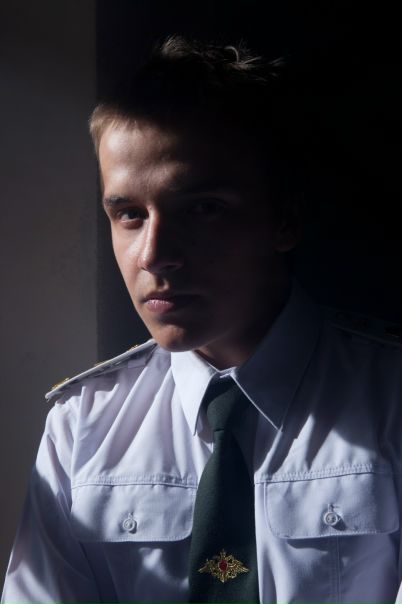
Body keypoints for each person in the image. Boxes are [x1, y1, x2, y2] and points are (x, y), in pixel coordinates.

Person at [2, 35, 402, 604]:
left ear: (284, 218)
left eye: (202, 209)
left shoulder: (390, 402)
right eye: (129, 214)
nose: (154, 255)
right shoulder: (83, 428)